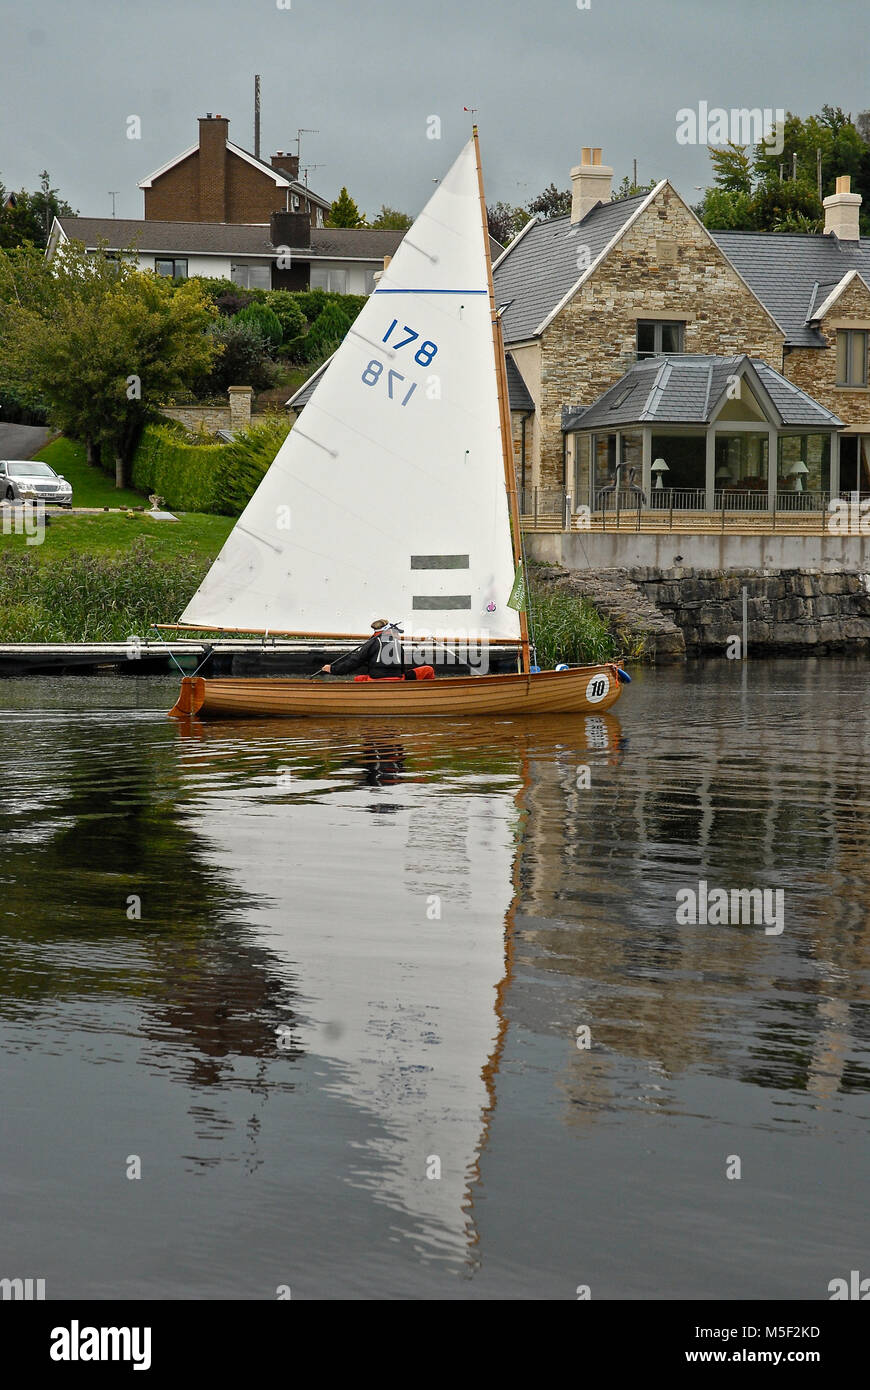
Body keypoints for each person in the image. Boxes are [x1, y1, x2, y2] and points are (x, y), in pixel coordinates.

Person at [320, 620, 435, 682]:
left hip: (375, 680)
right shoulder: (397, 643)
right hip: (398, 679)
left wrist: (333, 669)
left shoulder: (370, 643)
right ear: (388, 631)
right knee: (428, 670)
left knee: (358, 679)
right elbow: (403, 667)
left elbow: (354, 663)